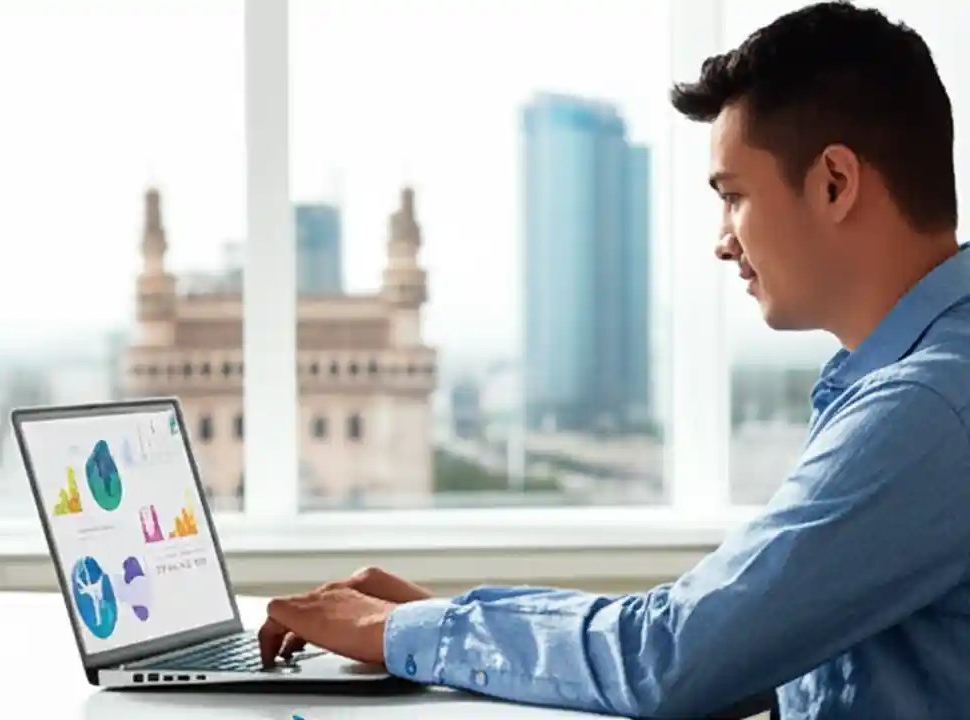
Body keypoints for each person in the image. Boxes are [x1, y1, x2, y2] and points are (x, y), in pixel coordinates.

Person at [256, 3, 970, 718]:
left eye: (734, 196)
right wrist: (451, 623)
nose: (723, 240)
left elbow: (674, 659)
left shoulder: (928, 408)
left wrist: (403, 631)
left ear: (835, 183)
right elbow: (731, 643)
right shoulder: (925, 385)